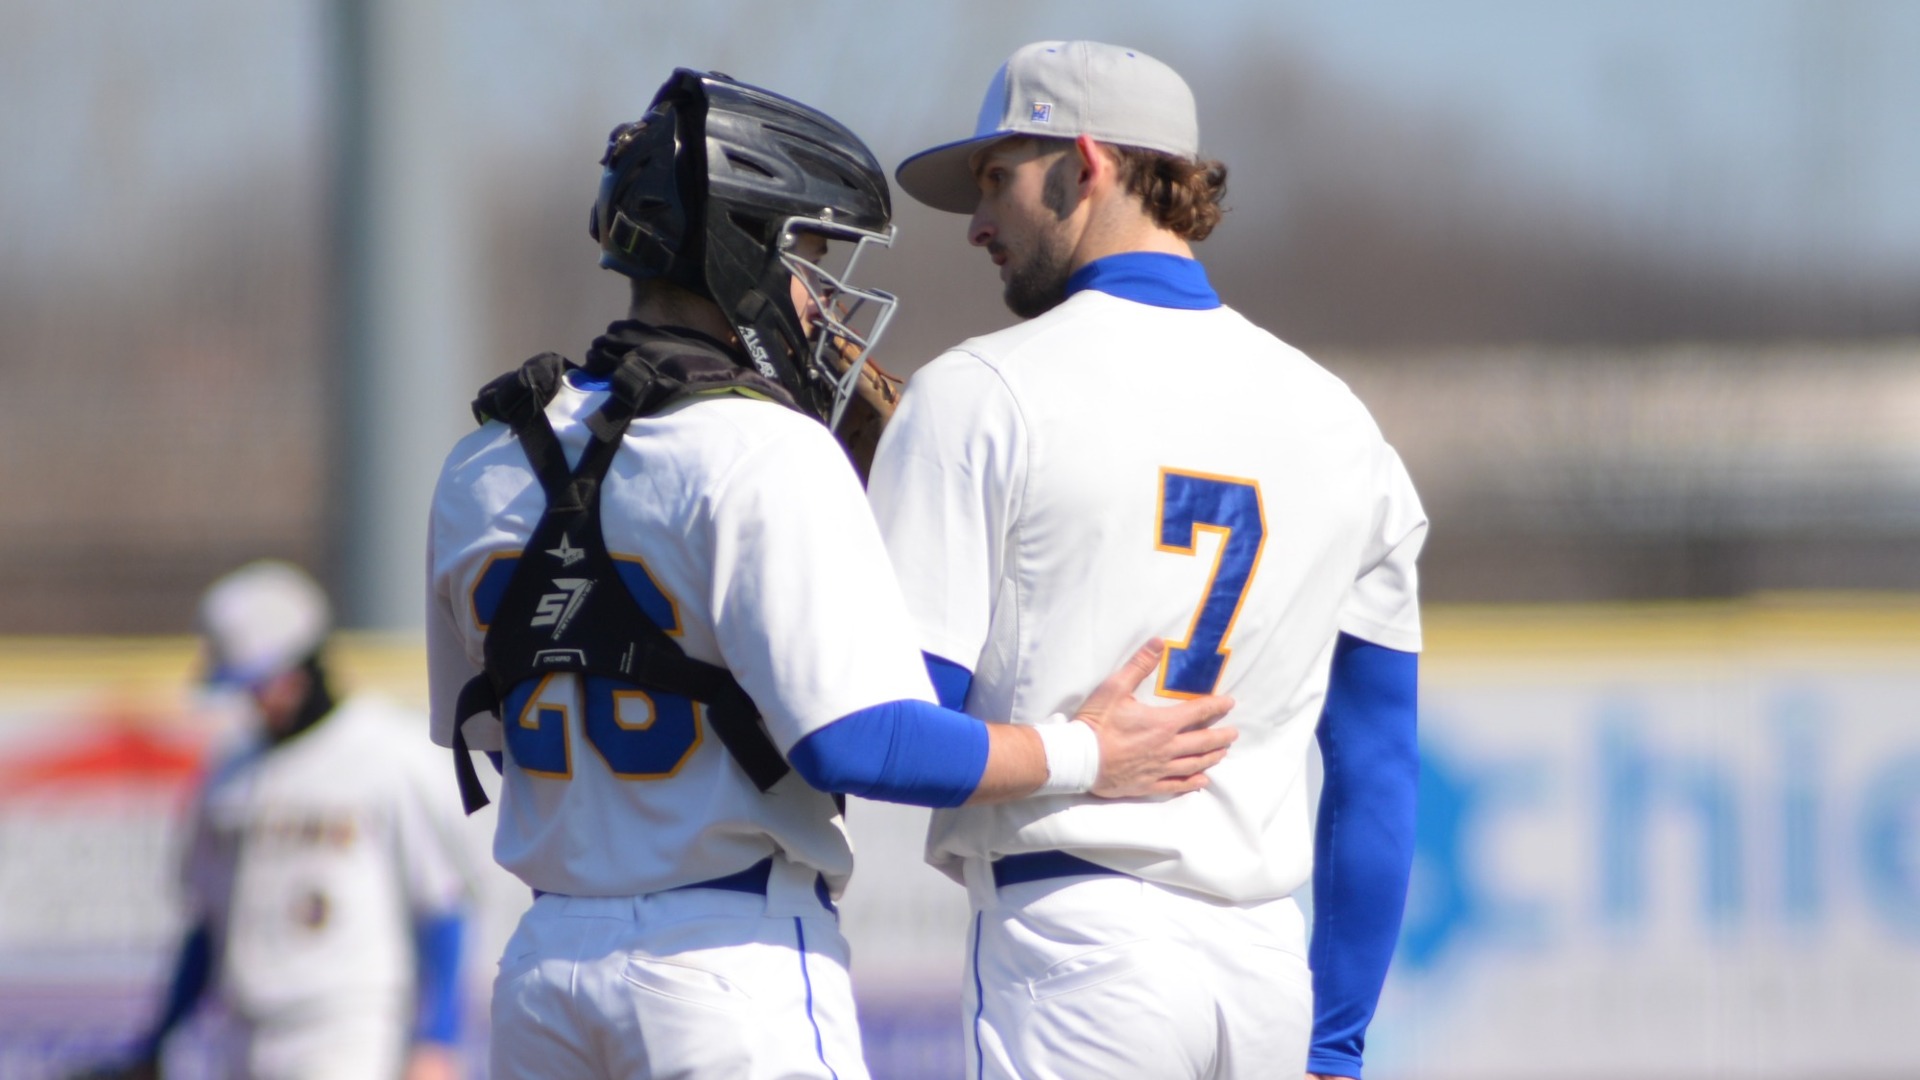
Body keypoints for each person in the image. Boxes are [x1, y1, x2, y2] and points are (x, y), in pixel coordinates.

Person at [424, 69, 1235, 1080]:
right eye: (805, 256)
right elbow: (861, 740)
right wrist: (1085, 755)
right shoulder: (763, 446)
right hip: (726, 962)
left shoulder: (482, 457)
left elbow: (490, 731)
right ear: (741, 250)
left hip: (543, 971)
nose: (820, 296)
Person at [873, 40, 1427, 1080]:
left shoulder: (982, 391)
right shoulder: (1345, 426)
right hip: (1264, 975)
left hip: (1077, 938)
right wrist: (1336, 1046)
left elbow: (892, 737)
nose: (978, 222)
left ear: (1087, 166)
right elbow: (1379, 766)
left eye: (999, 178)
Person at [78, 560, 474, 1080]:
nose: (256, 699)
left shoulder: (388, 752)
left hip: (346, 1025)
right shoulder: (230, 767)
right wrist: (160, 1038)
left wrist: (437, 1039)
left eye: (265, 682)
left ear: (305, 666)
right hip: (243, 1026)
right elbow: (207, 922)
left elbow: (442, 903)